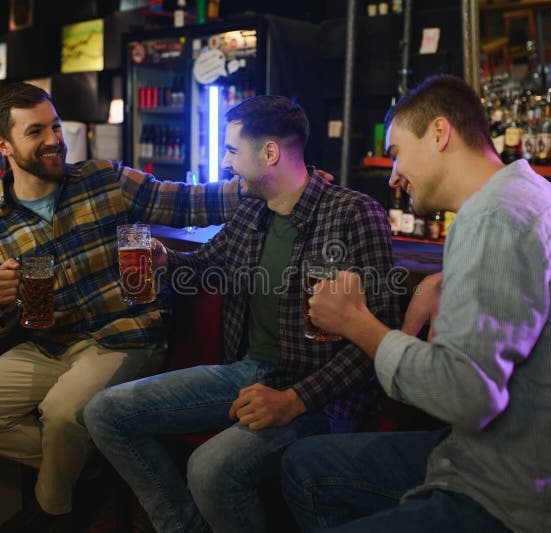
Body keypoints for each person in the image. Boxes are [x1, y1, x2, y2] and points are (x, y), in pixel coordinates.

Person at [281, 75, 551, 532]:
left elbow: (466, 396)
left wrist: (355, 321)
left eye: (398, 152)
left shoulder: (494, 217)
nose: (393, 174)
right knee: (305, 464)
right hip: (519, 460)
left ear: (440, 133)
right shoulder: (526, 193)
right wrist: (442, 284)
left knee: (307, 470)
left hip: (523, 500)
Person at [83, 95, 399, 533]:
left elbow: (378, 342)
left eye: (232, 150)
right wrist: (163, 259)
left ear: (269, 153)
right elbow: (205, 269)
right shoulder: (251, 209)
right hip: (249, 373)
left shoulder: (355, 213)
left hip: (323, 398)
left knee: (210, 469)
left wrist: (294, 400)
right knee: (104, 413)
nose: (226, 162)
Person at [0, 82, 242, 532]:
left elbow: (188, 203)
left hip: (125, 335)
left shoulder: (105, 180)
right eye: (35, 131)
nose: (53, 140)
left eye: (56, 126)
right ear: (2, 145)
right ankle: (100, 463)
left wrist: (271, 179)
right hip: (52, 345)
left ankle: (52, 516)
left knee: (63, 414)